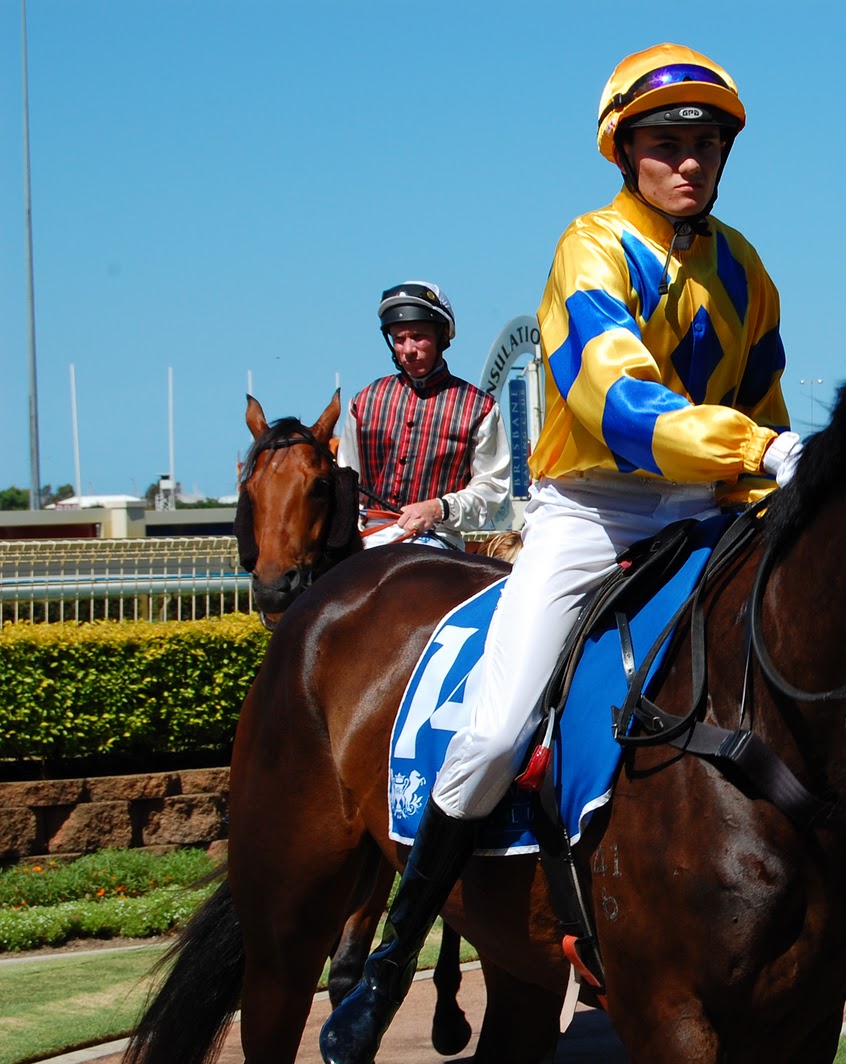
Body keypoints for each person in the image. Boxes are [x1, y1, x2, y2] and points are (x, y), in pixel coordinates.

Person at [321, 44, 800, 1062]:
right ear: (624, 151)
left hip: (708, 505)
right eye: (665, 143)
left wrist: (780, 474)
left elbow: (764, 399)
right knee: (498, 728)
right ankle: (391, 956)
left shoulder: (744, 267)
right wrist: (756, 448)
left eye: (705, 143)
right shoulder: (591, 246)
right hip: (594, 512)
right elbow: (619, 400)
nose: (688, 160)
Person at [336, 280, 511, 551]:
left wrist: (439, 508)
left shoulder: (481, 408)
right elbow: (346, 482)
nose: (408, 350)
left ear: (443, 337)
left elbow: (492, 489)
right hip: (368, 541)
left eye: (418, 337)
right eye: (399, 339)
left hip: (439, 539)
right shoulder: (363, 402)